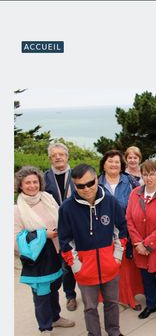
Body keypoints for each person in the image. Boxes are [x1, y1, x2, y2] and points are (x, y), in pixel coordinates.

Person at [58, 164, 127, 336]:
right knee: (90, 307)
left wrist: (117, 257)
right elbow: (65, 241)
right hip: (85, 270)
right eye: (81, 186)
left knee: (112, 303)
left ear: (97, 179)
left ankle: (114, 332)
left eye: (90, 183)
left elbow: (122, 230)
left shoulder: (111, 202)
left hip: (110, 266)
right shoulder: (66, 208)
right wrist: (76, 266)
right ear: (74, 185)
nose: (87, 188)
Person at [15, 166, 75, 335]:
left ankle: (55, 318)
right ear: (20, 185)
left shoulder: (47, 198)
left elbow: (60, 216)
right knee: (41, 294)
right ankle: (45, 327)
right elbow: (14, 239)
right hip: (37, 258)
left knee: (54, 287)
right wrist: (43, 235)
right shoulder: (17, 209)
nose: (32, 185)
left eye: (35, 182)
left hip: (55, 251)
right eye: (28, 183)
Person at [126, 160, 156, 321]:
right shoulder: (135, 193)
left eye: (152, 174)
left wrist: (147, 244)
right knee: (147, 280)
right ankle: (151, 305)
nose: (149, 178)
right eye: (145, 174)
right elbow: (129, 219)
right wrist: (138, 243)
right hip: (139, 247)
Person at [98, 150, 143, 310]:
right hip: (103, 233)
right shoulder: (96, 183)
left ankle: (129, 297)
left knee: (126, 268)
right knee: (109, 266)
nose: (114, 164)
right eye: (110, 161)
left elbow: (140, 202)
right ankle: (109, 298)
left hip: (126, 231)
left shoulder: (129, 181)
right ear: (103, 164)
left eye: (117, 161)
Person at [43, 142, 77, 311]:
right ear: (50, 158)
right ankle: (70, 295)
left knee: (83, 259)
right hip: (57, 227)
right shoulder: (45, 178)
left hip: (77, 224)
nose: (58, 157)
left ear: (67, 156)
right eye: (54, 155)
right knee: (66, 264)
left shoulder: (77, 174)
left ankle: (89, 292)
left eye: (61, 154)